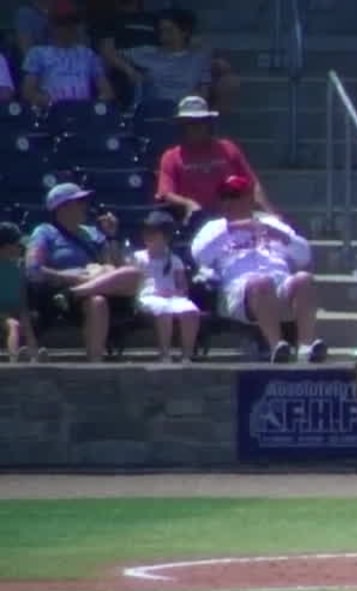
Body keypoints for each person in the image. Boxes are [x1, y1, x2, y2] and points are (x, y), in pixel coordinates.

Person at [190, 174, 323, 364]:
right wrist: (233, 228)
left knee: (304, 279)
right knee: (261, 283)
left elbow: (304, 256)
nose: (229, 202)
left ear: (250, 199)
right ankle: (276, 346)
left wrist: (283, 237)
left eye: (236, 196)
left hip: (280, 286)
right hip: (239, 293)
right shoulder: (214, 228)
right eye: (225, 196)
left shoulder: (271, 223)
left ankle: (306, 347)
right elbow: (199, 255)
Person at [25, 182, 141, 362]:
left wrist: (110, 236)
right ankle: (95, 362)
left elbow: (113, 268)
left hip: (89, 286)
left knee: (133, 273)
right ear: (61, 208)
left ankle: (71, 295)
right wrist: (76, 278)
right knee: (97, 302)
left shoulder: (93, 234)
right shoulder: (44, 232)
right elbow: (33, 269)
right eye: (79, 202)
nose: (85, 206)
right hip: (58, 292)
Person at [155, 95, 273, 224]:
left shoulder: (228, 148)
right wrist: (188, 204)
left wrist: (270, 214)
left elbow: (253, 184)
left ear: (208, 124)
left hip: (232, 217)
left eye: (201, 122)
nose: (196, 127)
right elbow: (166, 193)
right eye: (190, 123)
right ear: (182, 126)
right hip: (195, 221)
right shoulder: (171, 157)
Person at [102, 7, 211, 104]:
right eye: (161, 30)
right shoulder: (147, 53)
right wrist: (130, 71)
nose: (164, 35)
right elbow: (109, 53)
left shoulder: (199, 58)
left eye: (169, 30)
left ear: (185, 32)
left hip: (187, 113)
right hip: (155, 111)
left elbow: (204, 91)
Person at [132, 209, 199, 362]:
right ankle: (165, 353)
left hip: (172, 297)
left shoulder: (175, 260)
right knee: (163, 311)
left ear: (166, 237)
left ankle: (186, 354)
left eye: (154, 233)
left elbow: (183, 287)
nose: (148, 236)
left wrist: (175, 293)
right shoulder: (138, 257)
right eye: (147, 232)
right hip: (147, 297)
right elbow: (133, 282)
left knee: (191, 311)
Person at [21, 5, 114, 108]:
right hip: (51, 112)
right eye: (62, 23)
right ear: (51, 26)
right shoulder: (37, 53)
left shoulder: (87, 54)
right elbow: (28, 91)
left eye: (72, 23)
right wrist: (41, 99)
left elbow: (106, 90)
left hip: (83, 112)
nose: (68, 28)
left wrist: (97, 103)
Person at [0, 222, 41, 363]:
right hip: (1, 313)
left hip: (15, 310)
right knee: (14, 325)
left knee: (26, 323)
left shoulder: (19, 268)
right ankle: (14, 360)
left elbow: (22, 299)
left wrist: (24, 316)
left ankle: (35, 357)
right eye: (17, 244)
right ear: (5, 247)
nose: (21, 247)